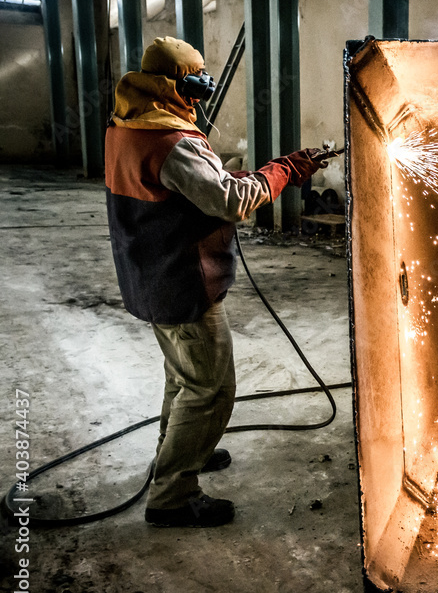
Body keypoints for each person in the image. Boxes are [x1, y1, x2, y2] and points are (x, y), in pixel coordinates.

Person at [104, 36, 324, 527]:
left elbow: (188, 187)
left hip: (148, 272)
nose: (201, 87)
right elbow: (229, 202)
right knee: (211, 389)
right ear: (169, 84)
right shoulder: (172, 141)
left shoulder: (127, 125)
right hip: (181, 279)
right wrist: (286, 169)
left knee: (183, 377)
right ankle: (173, 496)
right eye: (193, 77)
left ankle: (180, 454)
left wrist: (230, 175)